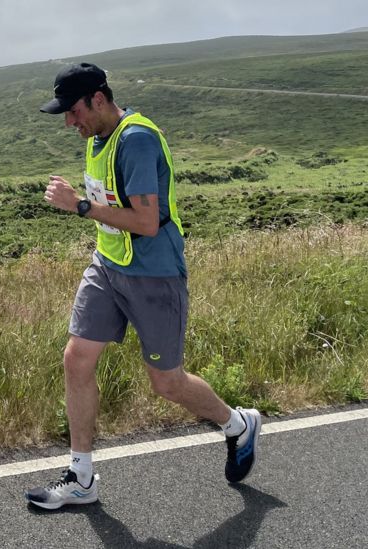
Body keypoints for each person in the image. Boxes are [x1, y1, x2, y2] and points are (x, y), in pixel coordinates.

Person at [25, 63, 261, 510]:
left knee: (167, 383)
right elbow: (111, 204)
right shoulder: (98, 138)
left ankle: (238, 425)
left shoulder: (136, 140)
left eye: (73, 111)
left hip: (153, 274)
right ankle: (81, 477)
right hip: (108, 265)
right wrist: (86, 205)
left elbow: (147, 223)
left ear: (98, 99)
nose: (69, 122)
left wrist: (78, 205)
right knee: (76, 359)